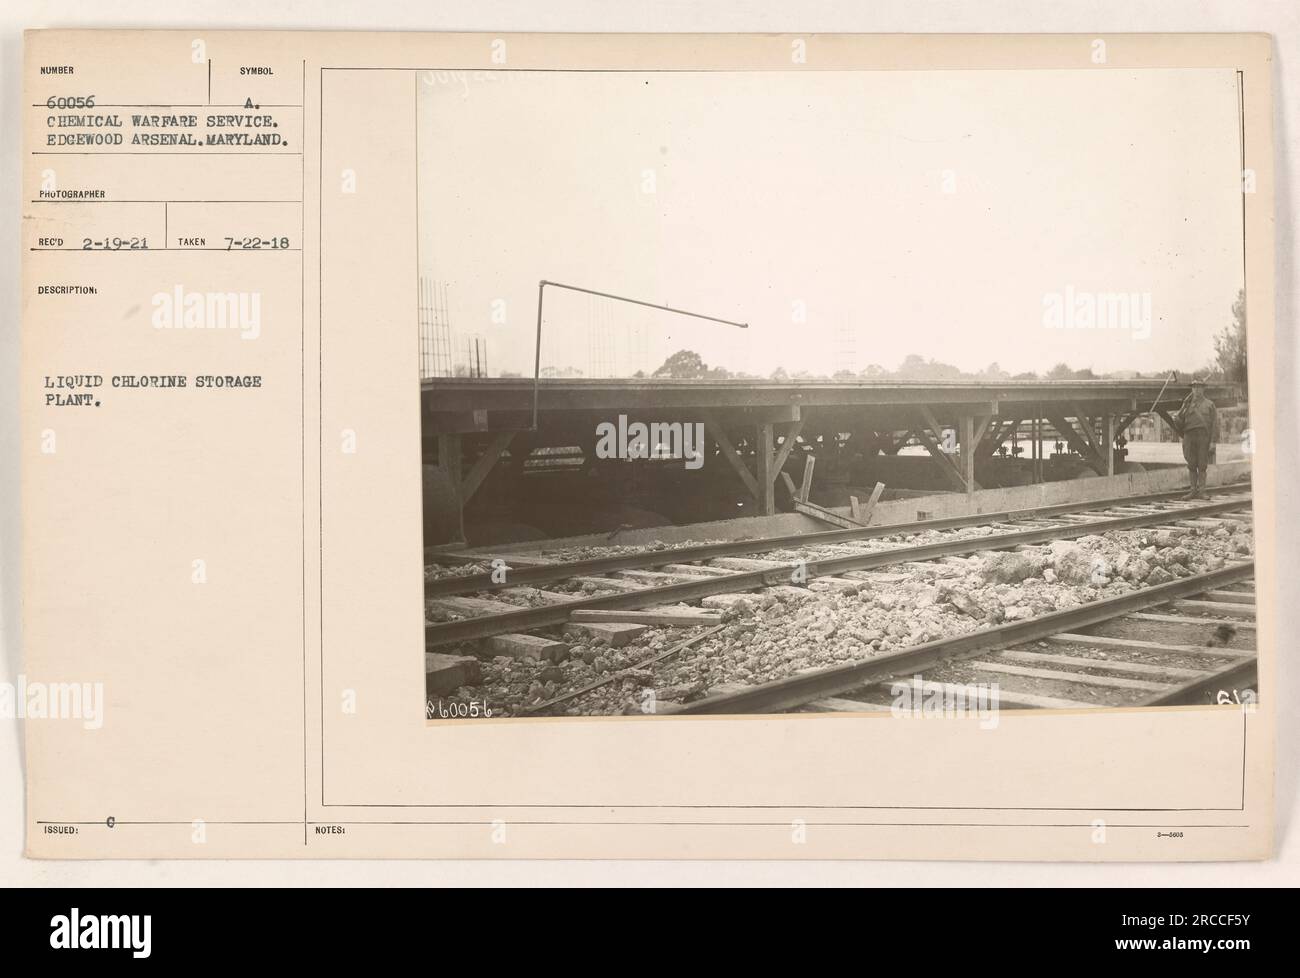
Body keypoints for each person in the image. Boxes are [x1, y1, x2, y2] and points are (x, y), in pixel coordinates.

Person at [1176, 379, 1217, 499]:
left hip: (1203, 437)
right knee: (1191, 464)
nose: (1196, 390)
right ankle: (1193, 490)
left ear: (1203, 389)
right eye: (1194, 387)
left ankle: (1202, 491)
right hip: (1189, 436)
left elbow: (1214, 424)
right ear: (1192, 389)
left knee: (1202, 464)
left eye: (1199, 387)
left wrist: (1213, 441)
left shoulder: (1209, 404)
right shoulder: (1186, 405)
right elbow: (1180, 421)